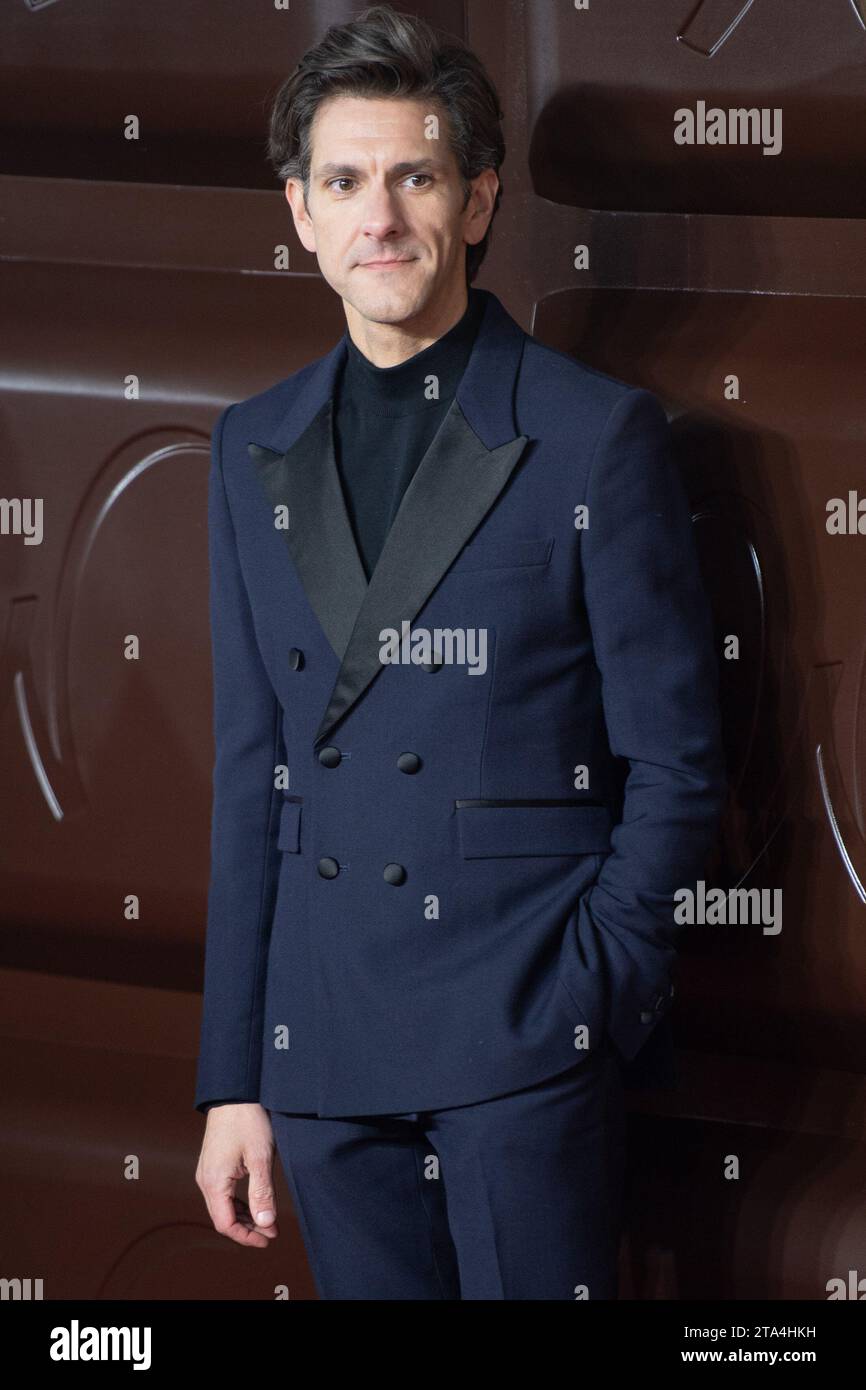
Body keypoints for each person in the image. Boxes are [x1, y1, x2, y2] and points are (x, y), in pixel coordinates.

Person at [193, 3, 727, 1300]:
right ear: (300, 211)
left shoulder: (594, 436)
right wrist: (233, 1079)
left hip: (520, 1040)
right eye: (344, 181)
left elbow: (678, 759)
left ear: (476, 200)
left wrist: (587, 990)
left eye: (414, 176)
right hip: (320, 1052)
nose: (378, 217)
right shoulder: (245, 444)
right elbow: (252, 771)